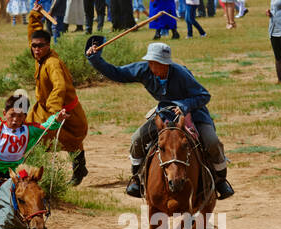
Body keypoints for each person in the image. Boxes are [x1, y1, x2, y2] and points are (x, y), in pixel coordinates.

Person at [86, 39, 234, 200]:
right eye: (150, 62)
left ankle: (220, 181)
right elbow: (117, 73)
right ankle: (137, 179)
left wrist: (184, 105)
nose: (153, 66)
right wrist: (95, 59)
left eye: (157, 63)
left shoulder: (181, 73)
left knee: (212, 141)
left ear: (166, 64)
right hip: (165, 114)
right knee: (137, 139)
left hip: (194, 113)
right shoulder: (144, 70)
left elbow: (204, 95)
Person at [0, 90, 64, 203]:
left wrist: (57, 118)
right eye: (12, 115)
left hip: (16, 172)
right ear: (5, 113)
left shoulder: (29, 130)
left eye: (19, 116)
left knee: (32, 195)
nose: (15, 119)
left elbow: (46, 126)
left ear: (25, 116)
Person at [27, 3, 89, 185]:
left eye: (40, 46)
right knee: (32, 136)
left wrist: (55, 113)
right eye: (34, 46)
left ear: (48, 46)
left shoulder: (52, 63)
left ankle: (79, 168)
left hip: (67, 112)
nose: (36, 49)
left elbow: (59, 86)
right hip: (43, 110)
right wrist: (35, 15)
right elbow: (34, 33)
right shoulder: (38, 56)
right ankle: (33, 174)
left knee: (71, 141)